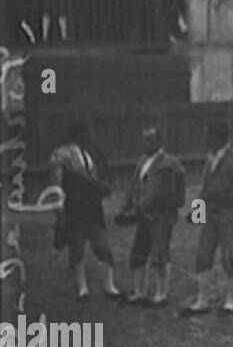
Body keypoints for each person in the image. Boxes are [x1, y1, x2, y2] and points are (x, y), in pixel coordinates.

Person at [182, 119, 233, 317]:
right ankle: (202, 299)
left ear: (219, 137)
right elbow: (206, 190)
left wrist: (217, 198)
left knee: (228, 257)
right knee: (203, 255)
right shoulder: (210, 159)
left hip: (228, 214)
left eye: (208, 135)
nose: (205, 139)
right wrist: (198, 212)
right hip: (211, 214)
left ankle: (230, 300)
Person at [49, 121, 121, 303]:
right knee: (77, 246)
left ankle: (109, 286)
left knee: (101, 244)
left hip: (92, 204)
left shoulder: (92, 152)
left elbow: (102, 175)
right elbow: (56, 182)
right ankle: (82, 288)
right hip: (74, 204)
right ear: (78, 135)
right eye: (86, 134)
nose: (88, 137)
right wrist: (60, 207)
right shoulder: (62, 154)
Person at [122, 126, 187, 308]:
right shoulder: (143, 162)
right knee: (139, 252)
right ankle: (139, 291)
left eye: (150, 139)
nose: (145, 143)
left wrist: (145, 205)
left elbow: (168, 194)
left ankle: (161, 293)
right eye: (144, 139)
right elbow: (134, 185)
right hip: (143, 215)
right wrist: (128, 205)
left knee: (160, 253)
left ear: (159, 142)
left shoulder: (169, 164)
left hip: (160, 215)